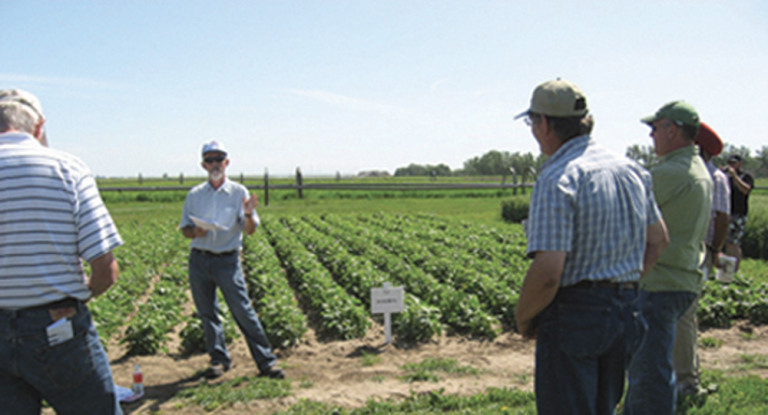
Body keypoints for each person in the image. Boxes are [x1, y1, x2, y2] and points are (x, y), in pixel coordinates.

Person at [513, 79, 669, 415]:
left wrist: (524, 317)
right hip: (627, 310)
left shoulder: (558, 177)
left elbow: (548, 274)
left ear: (544, 124)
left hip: (575, 314)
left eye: (532, 123)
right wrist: (620, 286)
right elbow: (658, 241)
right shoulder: (631, 170)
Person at [0, 89, 124, 414]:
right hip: (57, 327)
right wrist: (79, 297)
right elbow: (105, 270)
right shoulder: (66, 168)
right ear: (39, 127)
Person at [626, 101, 713, 414]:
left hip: (658, 282)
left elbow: (628, 219)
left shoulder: (668, 174)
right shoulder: (699, 169)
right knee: (656, 369)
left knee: (649, 376)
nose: (651, 135)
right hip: (683, 276)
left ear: (672, 131)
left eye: (655, 128)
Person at [179, 140, 285, 380]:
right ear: (203, 165)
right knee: (207, 313)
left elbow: (250, 229)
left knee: (243, 311)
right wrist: (195, 232)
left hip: (227, 261)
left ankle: (266, 362)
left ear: (227, 162)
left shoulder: (239, 193)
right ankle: (218, 360)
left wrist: (247, 213)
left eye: (219, 159)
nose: (215, 164)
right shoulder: (194, 195)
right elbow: (185, 229)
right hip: (199, 260)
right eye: (210, 160)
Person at [672, 122, 730, 397]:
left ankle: (685, 379)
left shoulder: (711, 177)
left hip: (697, 250)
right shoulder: (708, 176)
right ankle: (687, 371)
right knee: (686, 313)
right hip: (695, 249)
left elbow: (723, 218)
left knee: (684, 314)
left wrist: (715, 249)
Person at [724, 153, 753, 272]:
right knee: (726, 243)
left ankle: (733, 270)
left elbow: (745, 190)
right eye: (730, 163)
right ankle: (727, 269)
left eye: (734, 163)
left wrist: (734, 176)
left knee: (733, 243)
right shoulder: (726, 177)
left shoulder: (745, 176)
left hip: (739, 214)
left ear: (740, 164)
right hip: (727, 213)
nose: (731, 165)